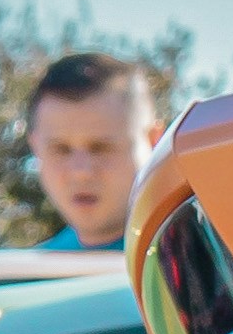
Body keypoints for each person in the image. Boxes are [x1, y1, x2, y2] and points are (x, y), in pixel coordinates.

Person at [25, 52, 161, 250]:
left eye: (101, 148)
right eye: (61, 149)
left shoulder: (193, 258)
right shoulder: (30, 266)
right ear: (35, 146)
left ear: (154, 142)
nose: (81, 172)